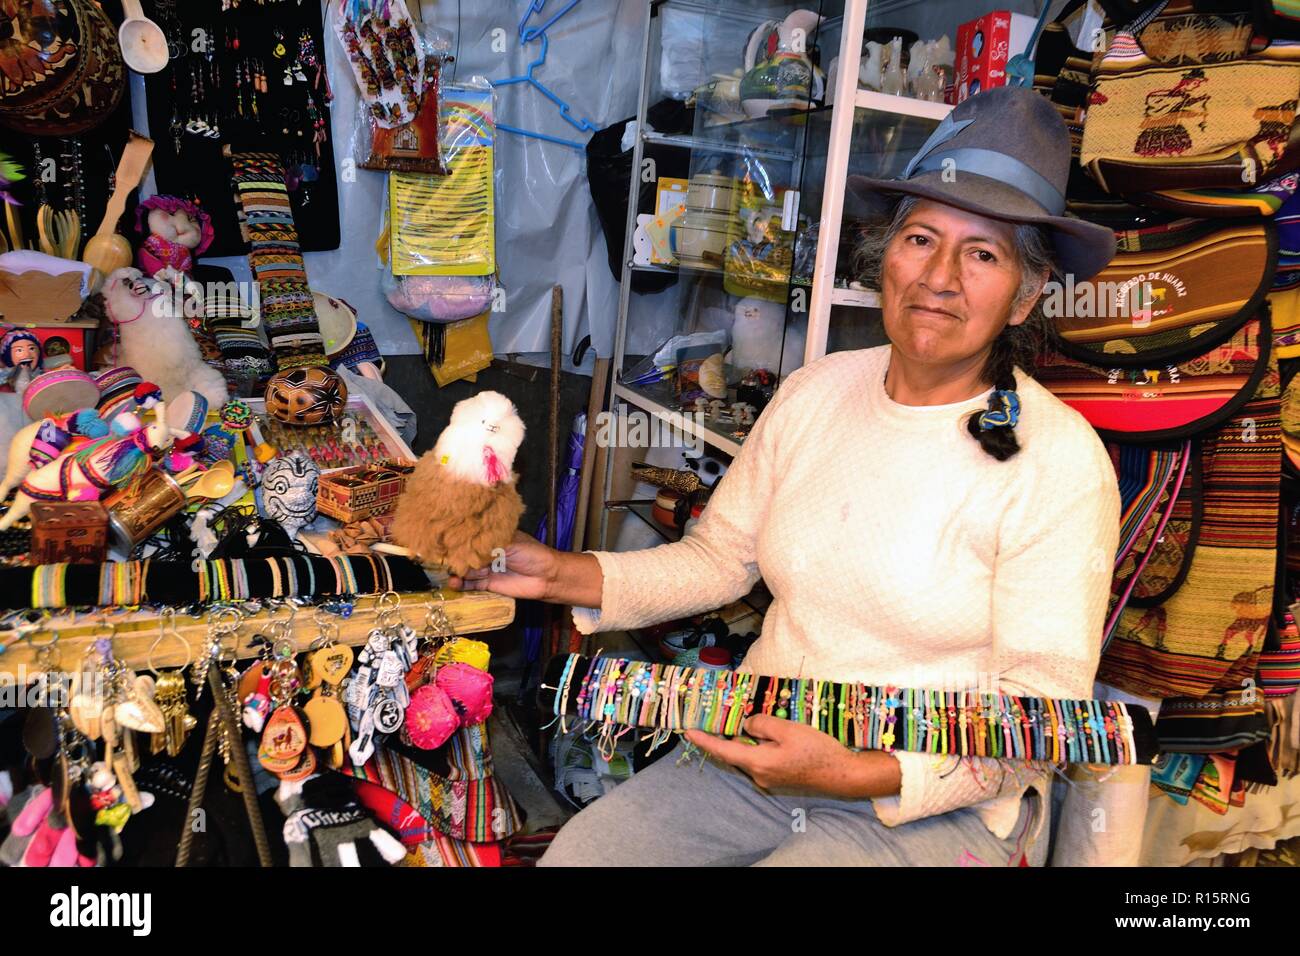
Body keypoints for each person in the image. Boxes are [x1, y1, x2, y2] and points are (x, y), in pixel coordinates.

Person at [458, 87, 1132, 866]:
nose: (939, 276)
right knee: (582, 856)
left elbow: (1041, 711)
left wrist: (861, 772)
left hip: (928, 800)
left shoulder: (1059, 460)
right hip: (765, 750)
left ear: (1027, 297)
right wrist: (562, 574)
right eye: (920, 238)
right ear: (886, 257)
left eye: (983, 254)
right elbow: (719, 559)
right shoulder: (819, 389)